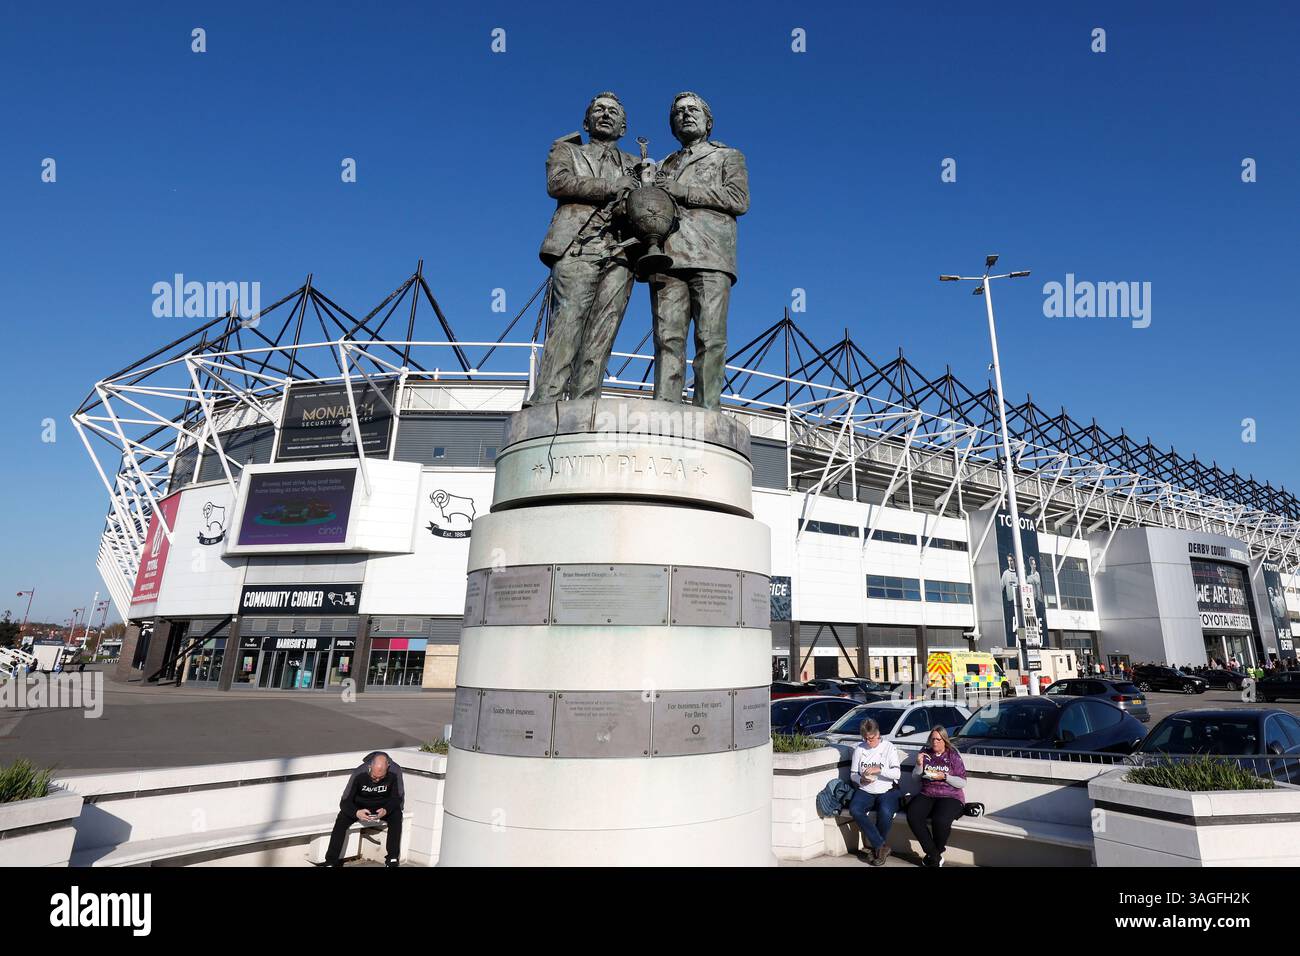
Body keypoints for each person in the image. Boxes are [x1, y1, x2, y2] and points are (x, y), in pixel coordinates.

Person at [527, 91, 640, 406]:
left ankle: (584, 402)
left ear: (623, 128)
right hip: (578, 245)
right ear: (587, 122)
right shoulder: (567, 150)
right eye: (599, 110)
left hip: (621, 251)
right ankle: (545, 400)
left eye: (613, 112)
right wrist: (610, 188)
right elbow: (558, 183)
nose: (606, 114)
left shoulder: (637, 163)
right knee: (569, 319)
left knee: (604, 329)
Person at [649, 91, 749, 410]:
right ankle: (665, 407)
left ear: (708, 122)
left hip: (711, 256)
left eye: (693, 110)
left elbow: (738, 199)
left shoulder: (727, 156)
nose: (686, 115)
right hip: (667, 256)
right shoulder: (661, 164)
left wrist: (685, 192)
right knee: (667, 339)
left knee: (710, 339)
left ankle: (707, 410)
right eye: (679, 112)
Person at [323, 752, 404, 867]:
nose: (377, 780)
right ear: (370, 767)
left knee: (396, 815)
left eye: (381, 777)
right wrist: (356, 813)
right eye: (374, 777)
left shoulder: (395, 771)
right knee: (342, 818)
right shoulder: (359, 772)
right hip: (360, 807)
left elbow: (398, 798)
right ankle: (331, 861)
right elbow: (345, 801)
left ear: (388, 767)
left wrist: (386, 810)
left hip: (382, 807)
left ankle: (392, 858)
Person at [905, 726, 968, 867]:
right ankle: (934, 854)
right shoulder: (925, 753)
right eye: (932, 739)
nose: (935, 742)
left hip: (950, 795)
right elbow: (915, 779)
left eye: (938, 739)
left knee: (940, 820)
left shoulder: (953, 755)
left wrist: (945, 777)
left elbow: (962, 782)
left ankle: (935, 854)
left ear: (944, 740)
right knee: (913, 815)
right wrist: (919, 765)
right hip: (928, 792)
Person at [847, 718, 902, 866]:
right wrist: (861, 780)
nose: (868, 741)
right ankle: (881, 846)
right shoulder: (860, 749)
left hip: (887, 790)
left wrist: (880, 769)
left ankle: (877, 850)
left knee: (885, 811)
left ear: (878, 734)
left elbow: (897, 774)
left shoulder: (889, 747)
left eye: (870, 738)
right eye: (865, 738)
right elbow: (853, 774)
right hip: (866, 789)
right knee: (855, 809)